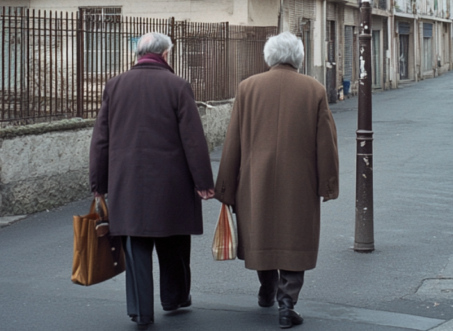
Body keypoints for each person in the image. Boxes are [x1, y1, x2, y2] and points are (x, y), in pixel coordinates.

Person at [89, 32, 214, 329]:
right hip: (172, 182)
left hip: (127, 181)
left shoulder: (114, 86)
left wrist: (99, 185)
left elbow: (101, 140)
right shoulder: (178, 86)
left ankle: (141, 312)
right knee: (174, 239)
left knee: (135, 244)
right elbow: (193, 140)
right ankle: (175, 298)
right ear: (166, 54)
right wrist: (203, 181)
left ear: (138, 54)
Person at [214, 31, 339, 329]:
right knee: (295, 237)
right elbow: (326, 143)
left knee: (262, 233)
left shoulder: (247, 88)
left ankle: (267, 289)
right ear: (299, 57)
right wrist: (328, 185)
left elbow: (233, 141)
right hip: (300, 180)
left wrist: (225, 187)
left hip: (254, 178)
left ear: (268, 57)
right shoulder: (315, 89)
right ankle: (287, 303)